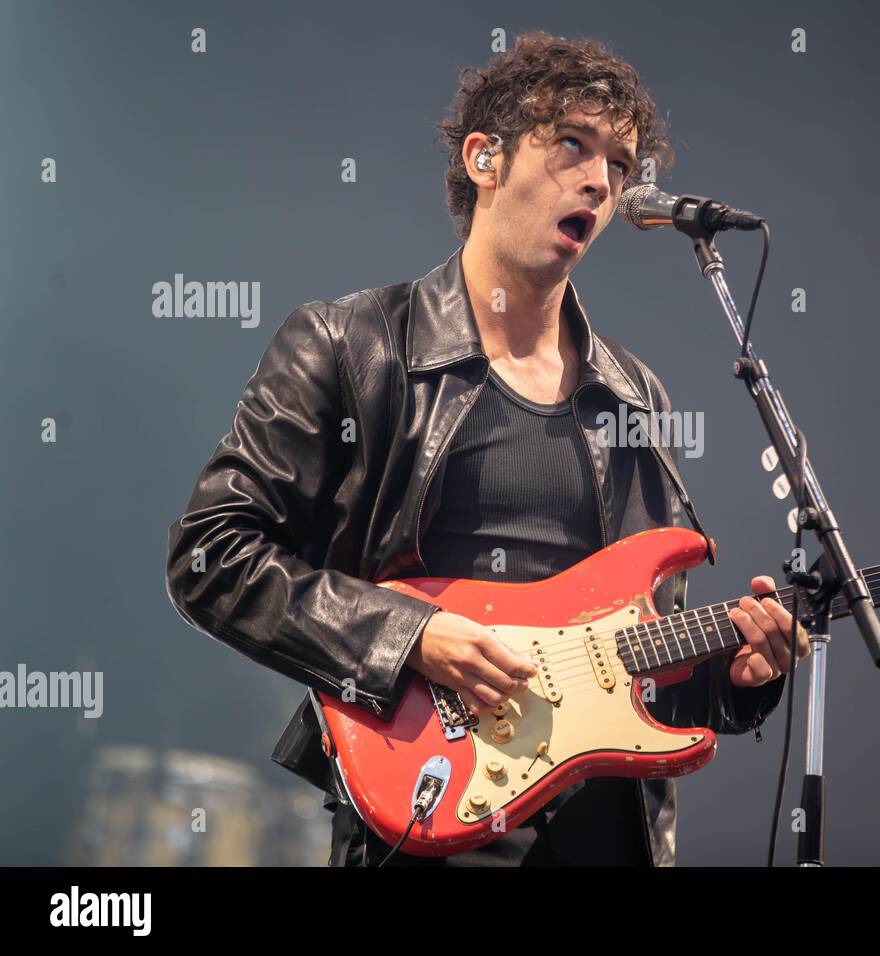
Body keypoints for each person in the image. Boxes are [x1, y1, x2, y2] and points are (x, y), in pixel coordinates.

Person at [164, 30, 808, 867]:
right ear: (484, 159)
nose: (600, 179)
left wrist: (737, 680)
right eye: (573, 143)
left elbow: (640, 663)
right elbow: (212, 557)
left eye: (620, 164)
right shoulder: (351, 345)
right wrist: (410, 636)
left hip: (607, 837)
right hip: (431, 811)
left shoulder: (634, 397)